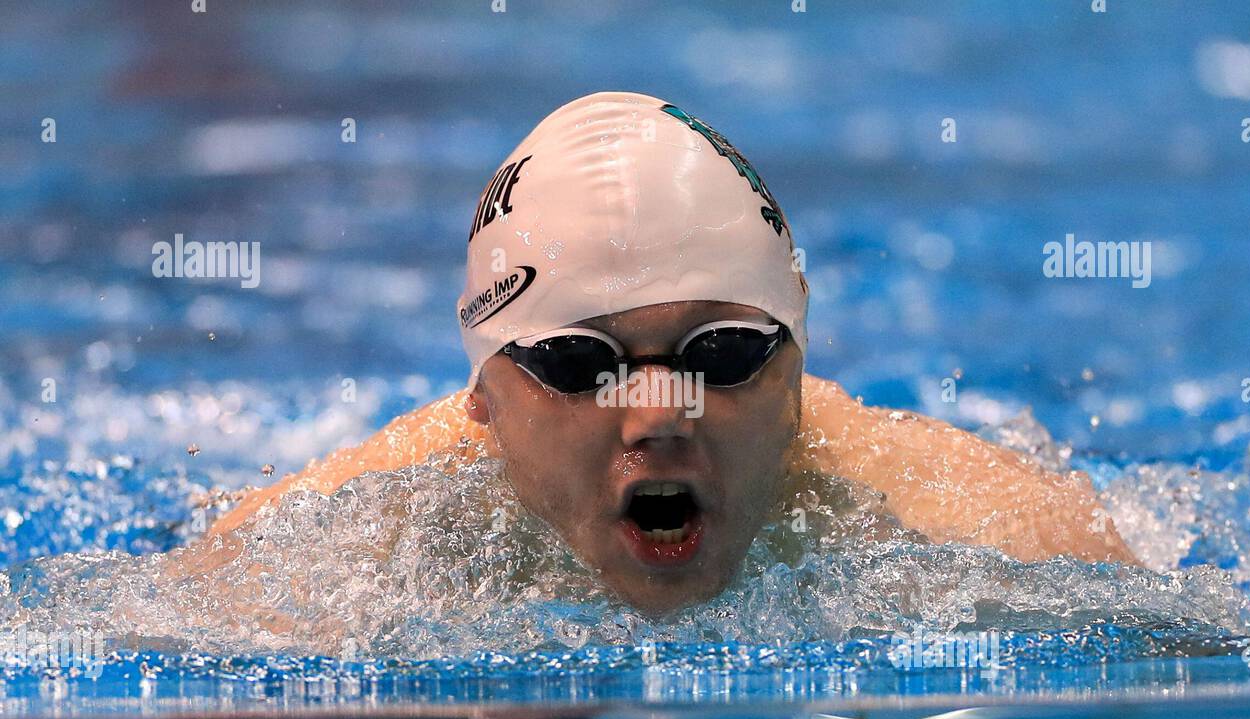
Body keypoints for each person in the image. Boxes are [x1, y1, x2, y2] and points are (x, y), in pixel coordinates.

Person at [191, 91, 1137, 617]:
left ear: (799, 371)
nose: (655, 415)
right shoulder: (320, 551)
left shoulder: (1003, 539)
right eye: (575, 363)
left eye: (720, 351)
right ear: (483, 396)